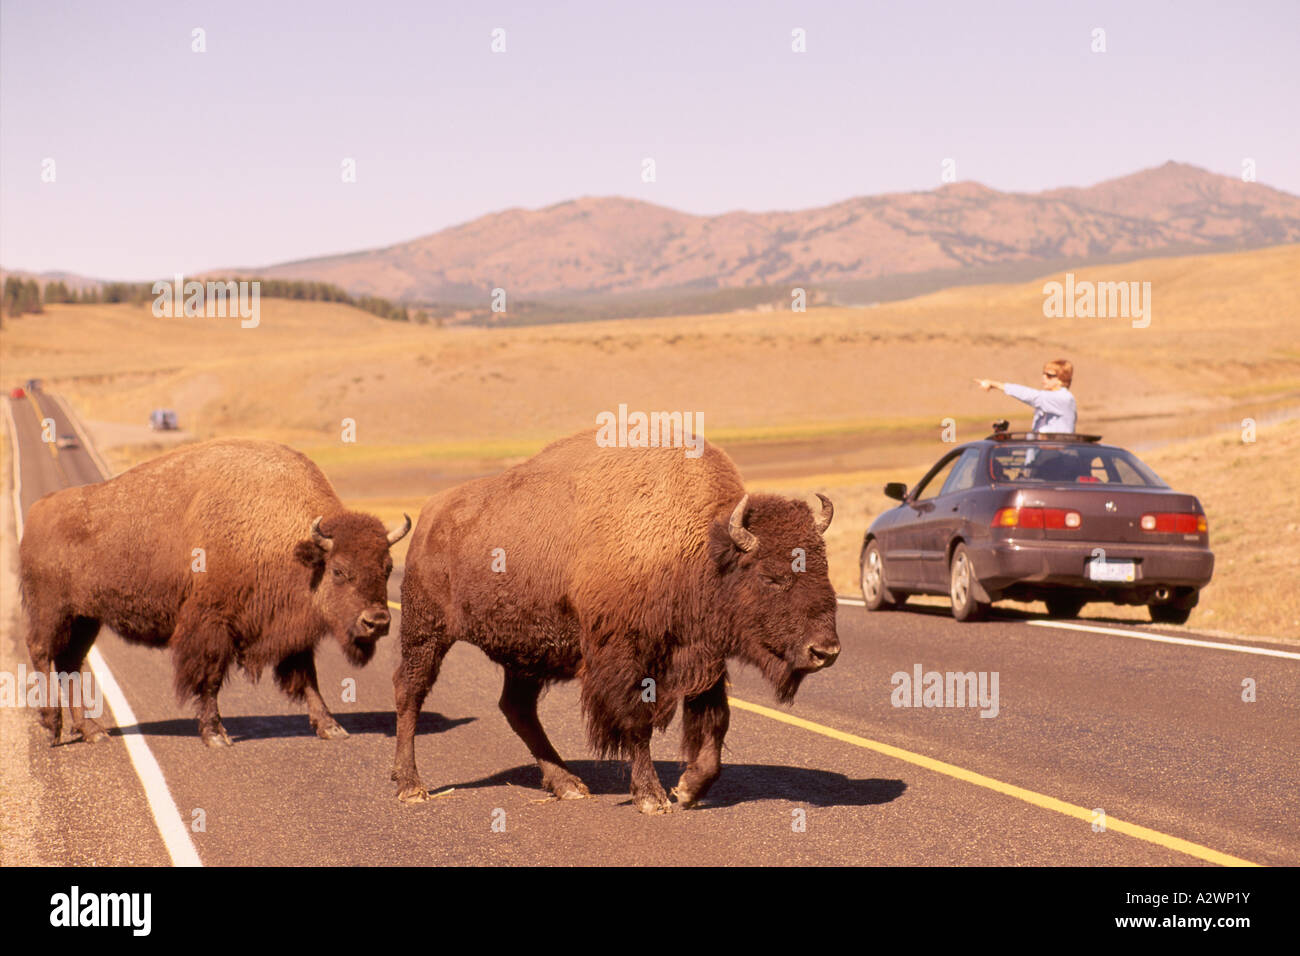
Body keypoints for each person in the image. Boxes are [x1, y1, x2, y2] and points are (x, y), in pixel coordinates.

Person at [974, 359, 1077, 434]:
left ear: (1061, 380)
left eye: (1049, 375)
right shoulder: (1050, 399)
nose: (1044, 377)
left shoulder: (1063, 398)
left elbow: (1033, 396)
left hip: (1057, 455)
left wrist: (995, 385)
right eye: (1043, 374)